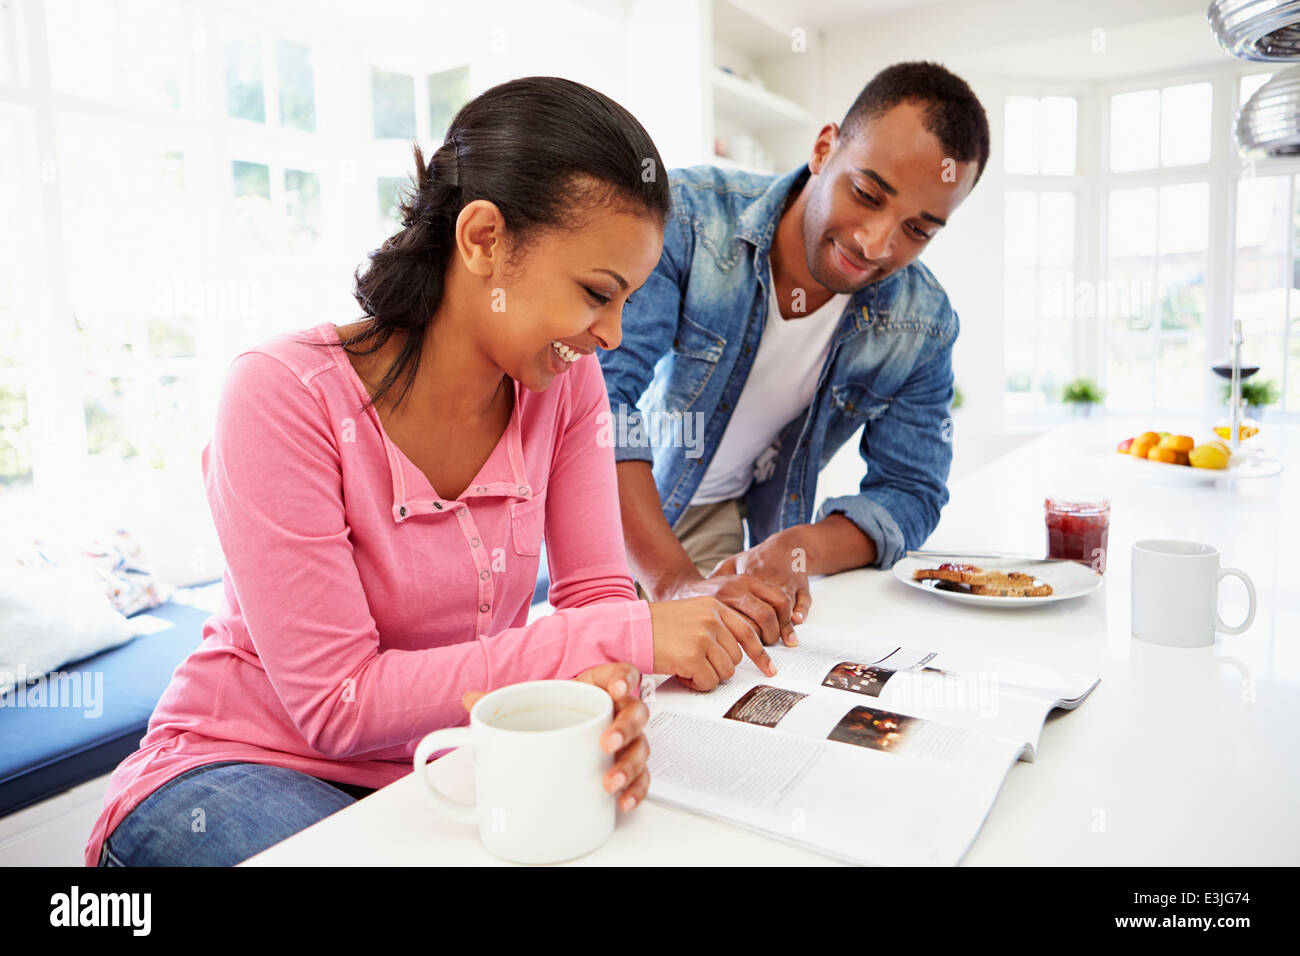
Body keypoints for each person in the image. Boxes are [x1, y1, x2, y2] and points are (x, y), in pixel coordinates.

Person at [85, 76, 774, 868]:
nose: (613, 336)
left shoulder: (566, 386)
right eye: (596, 293)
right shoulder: (281, 396)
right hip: (236, 768)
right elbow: (340, 704)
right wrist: (621, 636)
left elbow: (592, 598)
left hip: (449, 760)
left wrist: (606, 708)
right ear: (482, 238)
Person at [599, 61, 990, 646]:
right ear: (824, 147)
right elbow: (599, 400)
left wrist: (800, 547)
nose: (876, 243)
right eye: (866, 194)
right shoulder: (689, 218)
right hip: (625, 498)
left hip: (727, 520)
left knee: (720, 678)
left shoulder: (924, 324)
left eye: (918, 229)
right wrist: (674, 581)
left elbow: (911, 491)